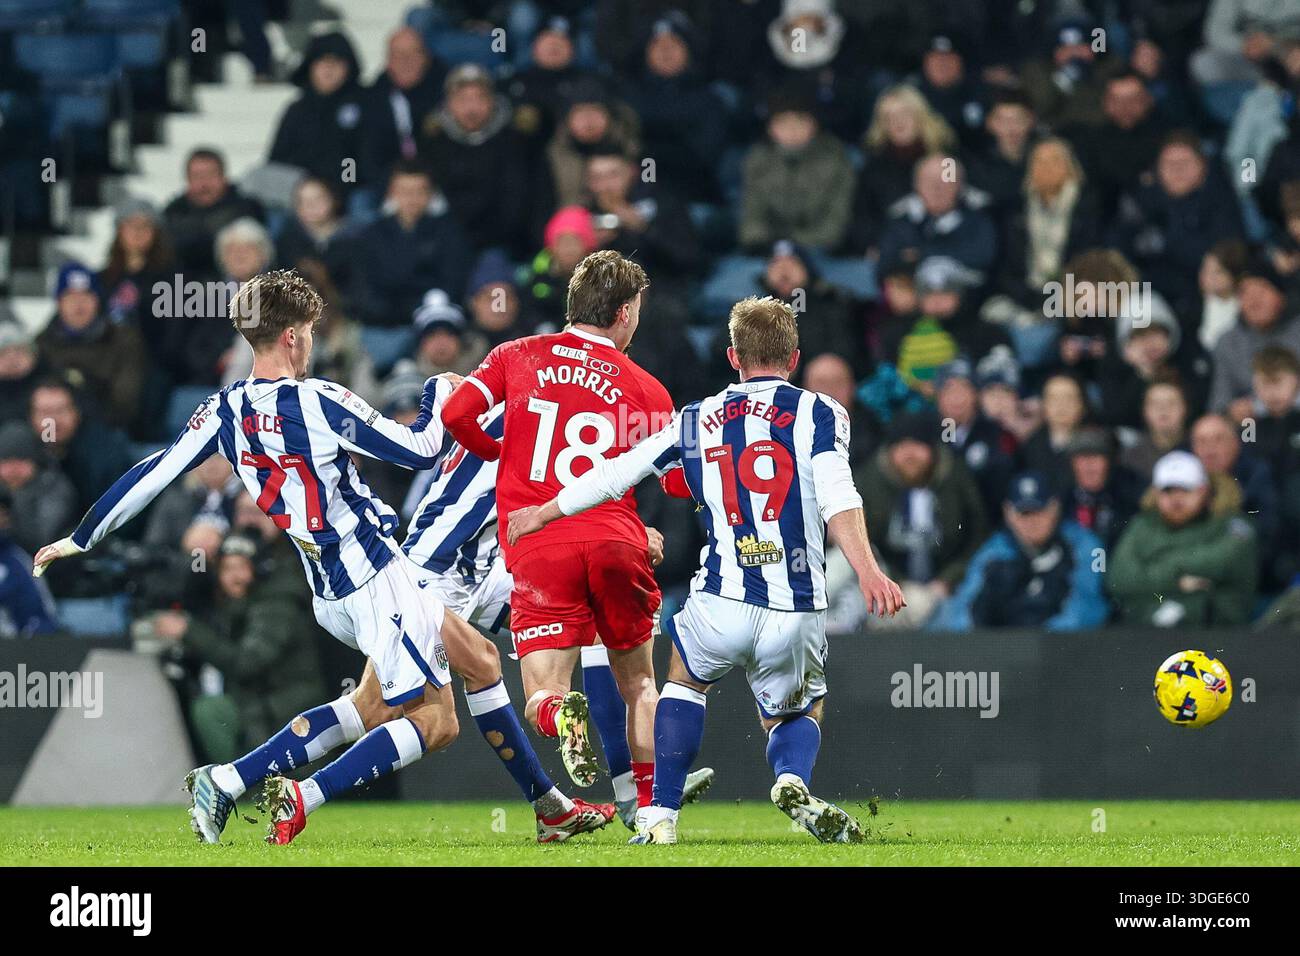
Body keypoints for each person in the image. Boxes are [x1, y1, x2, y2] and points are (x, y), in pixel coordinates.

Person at [32, 270, 611, 848]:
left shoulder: (223, 409)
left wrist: (80, 538)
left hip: (328, 590)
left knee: (474, 662)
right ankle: (302, 795)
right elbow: (421, 449)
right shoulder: (319, 399)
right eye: (308, 331)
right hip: (377, 578)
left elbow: (152, 472)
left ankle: (547, 807)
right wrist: (441, 392)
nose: (311, 342)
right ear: (290, 337)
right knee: (437, 722)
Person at [506, 295, 904, 845]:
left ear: (732, 356)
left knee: (684, 683)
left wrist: (544, 512)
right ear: (794, 359)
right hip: (796, 604)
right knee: (799, 709)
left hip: (722, 596)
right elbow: (840, 494)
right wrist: (869, 571)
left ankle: (659, 816)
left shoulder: (698, 418)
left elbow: (617, 473)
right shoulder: (820, 412)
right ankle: (790, 779)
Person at [401, 403, 713, 830]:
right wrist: (635, 532)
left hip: (485, 564)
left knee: (553, 660)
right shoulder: (546, 415)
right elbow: (575, 488)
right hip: (445, 574)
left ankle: (599, 784)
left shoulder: (509, 405)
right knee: (390, 709)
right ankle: (298, 784)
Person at [440, 250, 674, 812]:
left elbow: (453, 416)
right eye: (637, 309)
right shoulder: (649, 390)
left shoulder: (515, 355)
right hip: (617, 540)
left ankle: (555, 711)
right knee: (639, 682)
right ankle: (649, 811)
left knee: (541, 690)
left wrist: (502, 455)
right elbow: (675, 481)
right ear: (622, 313)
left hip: (538, 544)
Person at [930, 471, 1108, 631]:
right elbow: (963, 610)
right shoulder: (994, 553)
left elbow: (1088, 603)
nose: (1032, 522)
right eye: (1024, 513)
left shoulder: (1083, 544)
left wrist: (1040, 644)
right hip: (1006, 654)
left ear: (1055, 508)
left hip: (1063, 653)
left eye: (1039, 511)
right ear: (1009, 513)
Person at [1107, 450, 1258, 626]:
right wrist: (1177, 581)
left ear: (1204, 490)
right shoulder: (1142, 525)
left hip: (1219, 632)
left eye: (1185, 490)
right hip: (1146, 633)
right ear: (1156, 493)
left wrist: (1157, 566)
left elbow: (1224, 561)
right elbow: (1119, 579)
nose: (1176, 499)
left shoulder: (1232, 523)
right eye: (1168, 491)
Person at [162, 149, 265, 277]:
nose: (204, 184)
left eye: (211, 175)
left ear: (224, 177)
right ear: (187, 180)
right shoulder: (173, 213)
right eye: (197, 176)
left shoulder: (246, 209)